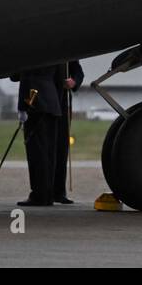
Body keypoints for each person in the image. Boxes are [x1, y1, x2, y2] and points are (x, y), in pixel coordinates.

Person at [16, 64, 64, 206]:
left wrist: (22, 107)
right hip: (52, 103)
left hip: (34, 103)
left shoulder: (28, 52)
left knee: (37, 154)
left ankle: (39, 195)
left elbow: (21, 77)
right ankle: (48, 194)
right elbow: (59, 79)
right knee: (49, 154)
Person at [52, 60, 85, 205]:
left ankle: (59, 192)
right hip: (44, 100)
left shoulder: (66, 53)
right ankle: (44, 190)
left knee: (61, 148)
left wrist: (73, 81)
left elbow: (78, 72)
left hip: (62, 100)